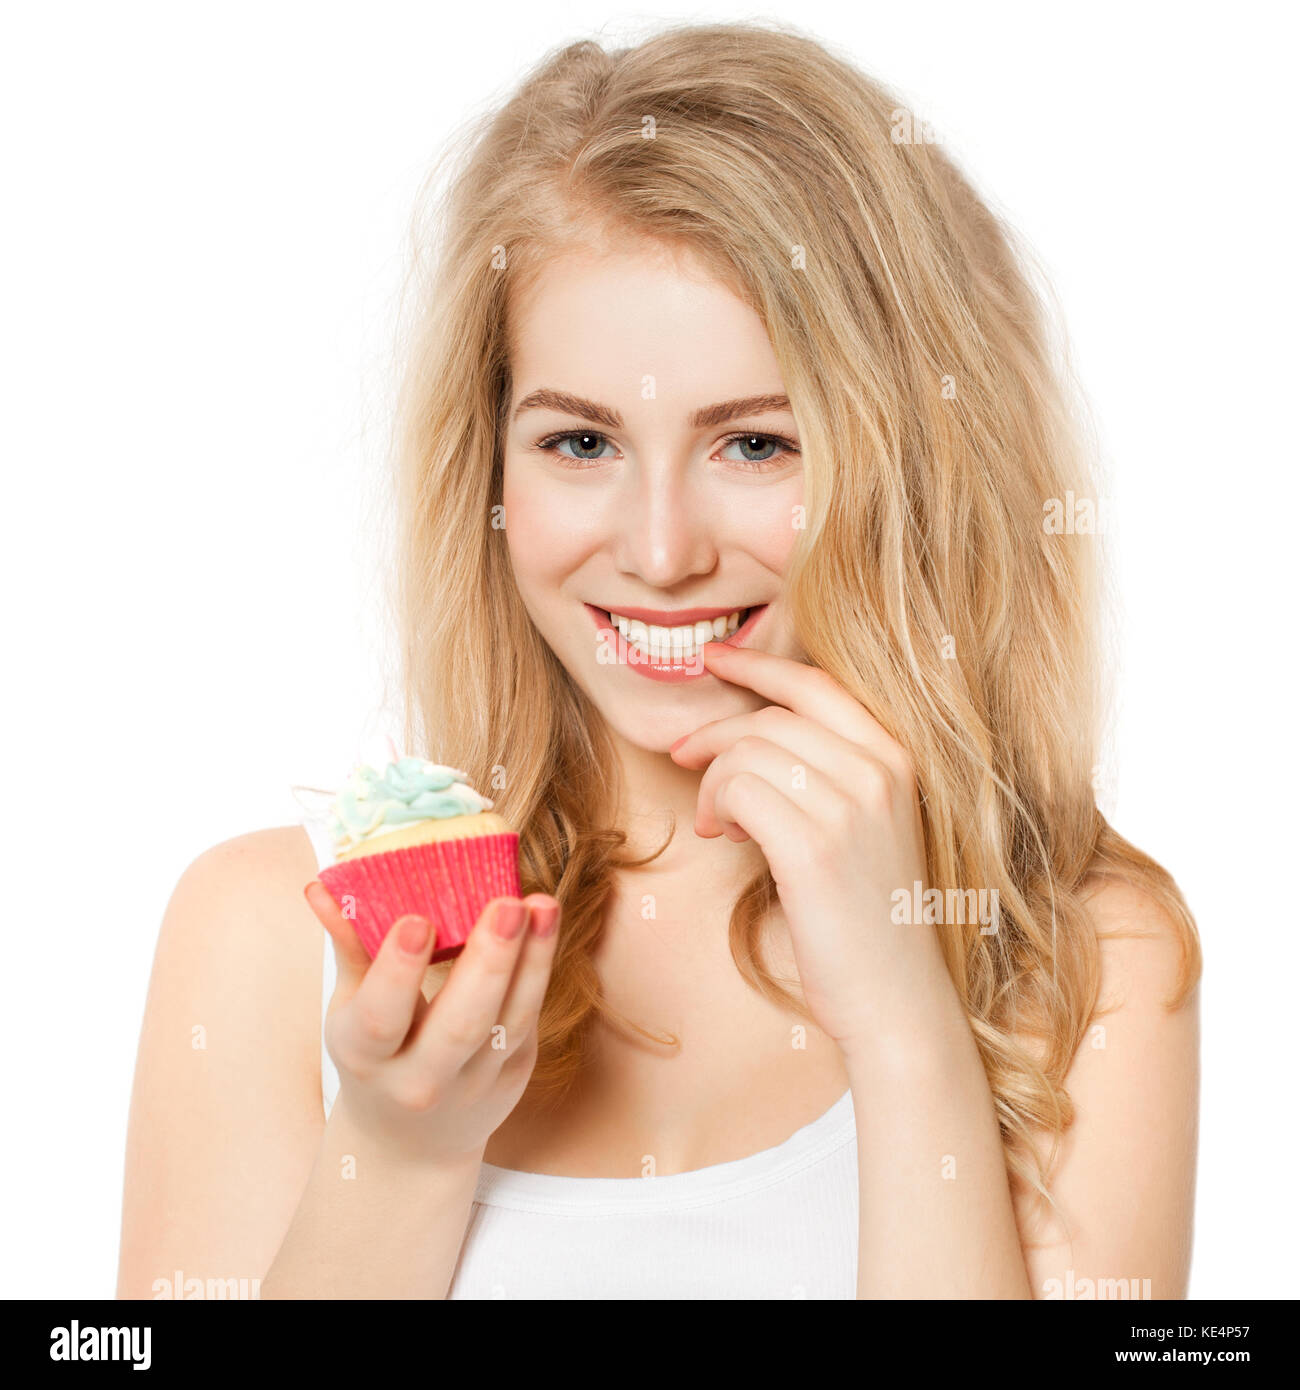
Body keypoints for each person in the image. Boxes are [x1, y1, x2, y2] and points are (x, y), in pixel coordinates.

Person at [117, 20, 1201, 1300]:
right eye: (581, 444)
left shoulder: (1077, 954)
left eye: (753, 445)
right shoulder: (267, 936)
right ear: (494, 469)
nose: (660, 548)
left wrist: (907, 1026)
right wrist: (397, 1155)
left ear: (907, 468)